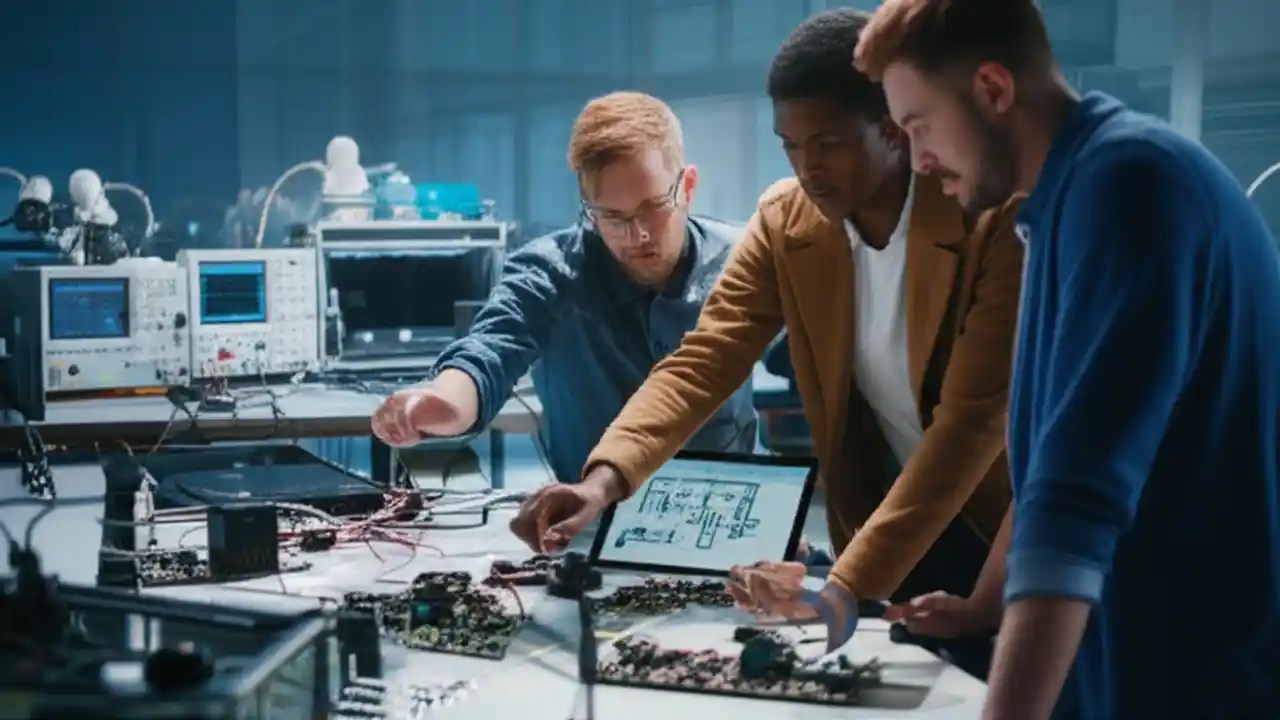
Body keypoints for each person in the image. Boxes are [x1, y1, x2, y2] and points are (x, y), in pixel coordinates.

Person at [510, 9, 1023, 670]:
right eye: (791, 146)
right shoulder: (787, 222)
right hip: (886, 533)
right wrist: (601, 482)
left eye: (828, 143)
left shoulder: (988, 219)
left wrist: (840, 589)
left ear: (893, 127)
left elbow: (968, 430)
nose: (808, 168)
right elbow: (704, 360)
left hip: (1008, 535)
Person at [855, 1, 1280, 718]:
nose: (918, 159)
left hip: (1195, 682)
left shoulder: (1129, 185)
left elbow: (1075, 502)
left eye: (920, 125)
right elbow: (1055, 462)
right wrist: (984, 605)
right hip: (1123, 668)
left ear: (994, 89)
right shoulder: (1065, 204)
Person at [370, 91, 756, 484]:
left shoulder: (746, 259)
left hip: (729, 501)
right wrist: (445, 400)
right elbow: (490, 350)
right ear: (588, 209)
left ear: (688, 187)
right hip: (592, 508)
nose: (638, 234)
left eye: (654, 207)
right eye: (613, 217)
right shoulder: (550, 274)